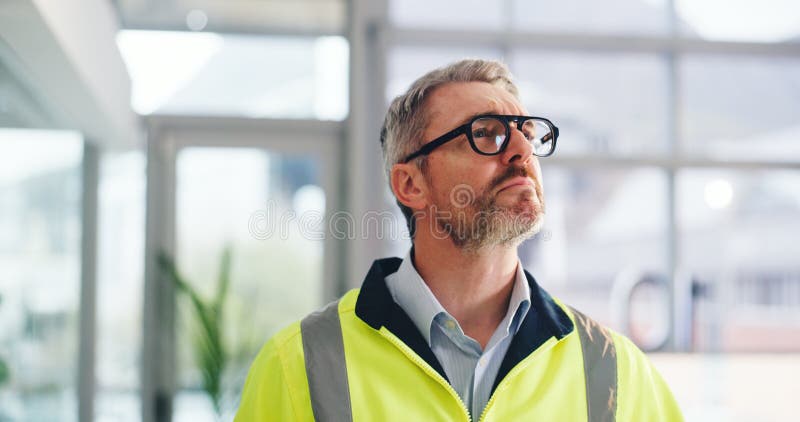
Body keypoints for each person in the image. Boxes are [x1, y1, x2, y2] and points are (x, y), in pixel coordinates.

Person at [235, 59, 683, 421]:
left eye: (528, 134)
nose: (522, 151)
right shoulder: (301, 364)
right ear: (411, 184)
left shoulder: (615, 371)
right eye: (485, 133)